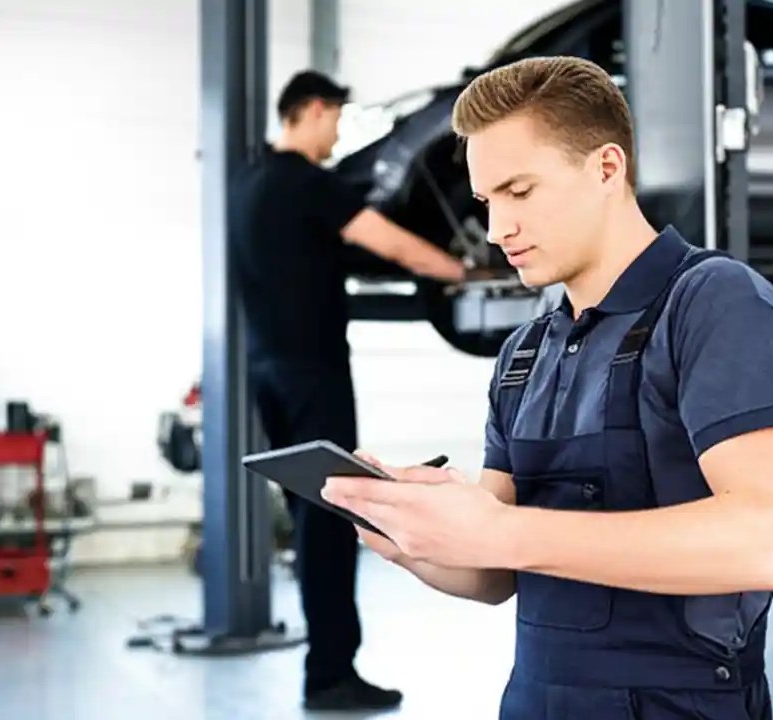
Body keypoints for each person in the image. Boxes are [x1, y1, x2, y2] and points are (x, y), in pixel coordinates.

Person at [322, 56, 773, 719]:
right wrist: (408, 535)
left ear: (607, 168)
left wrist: (501, 532)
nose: (497, 231)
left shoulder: (715, 304)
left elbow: (767, 542)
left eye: (520, 192)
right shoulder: (524, 353)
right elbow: (493, 576)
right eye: (488, 202)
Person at [230, 70, 469, 712]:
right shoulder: (308, 183)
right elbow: (391, 244)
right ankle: (331, 674)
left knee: (313, 519)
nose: (338, 130)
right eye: (335, 116)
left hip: (269, 376)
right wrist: (468, 269)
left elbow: (316, 262)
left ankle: (327, 665)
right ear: (310, 110)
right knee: (333, 520)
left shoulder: (247, 185)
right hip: (314, 373)